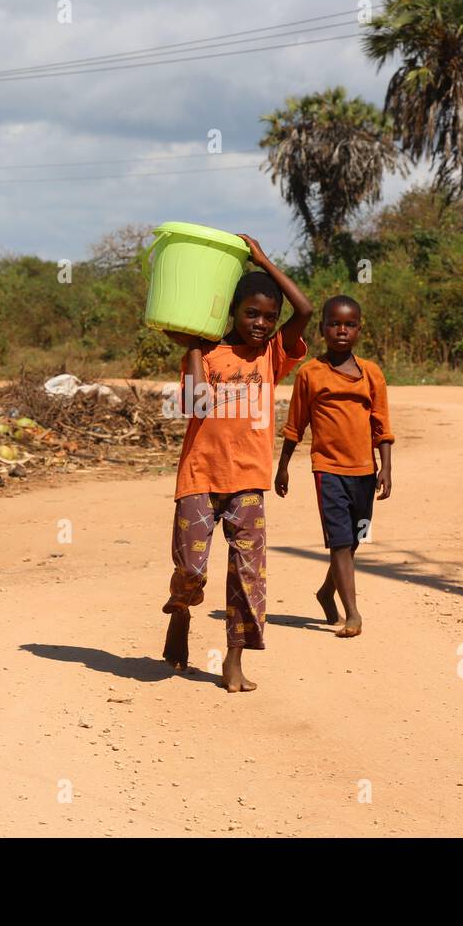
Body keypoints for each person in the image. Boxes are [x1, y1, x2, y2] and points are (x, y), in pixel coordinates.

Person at [159, 234, 312, 692]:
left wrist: (264, 259)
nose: (262, 324)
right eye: (251, 314)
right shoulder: (206, 354)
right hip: (200, 477)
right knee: (192, 567)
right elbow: (192, 403)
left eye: (269, 316)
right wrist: (191, 341)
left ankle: (233, 660)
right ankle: (181, 611)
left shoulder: (273, 355)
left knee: (248, 574)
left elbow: (303, 310)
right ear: (232, 311)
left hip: (248, 480)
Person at [276, 294, 394, 637]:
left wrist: (385, 467)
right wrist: (283, 466)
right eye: (334, 323)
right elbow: (296, 425)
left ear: (359, 329)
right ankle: (352, 613)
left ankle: (327, 591)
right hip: (327, 470)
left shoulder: (371, 373)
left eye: (349, 324)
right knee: (339, 541)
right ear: (323, 328)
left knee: (355, 539)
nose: (341, 330)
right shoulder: (310, 373)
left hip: (365, 471)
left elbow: (382, 424)